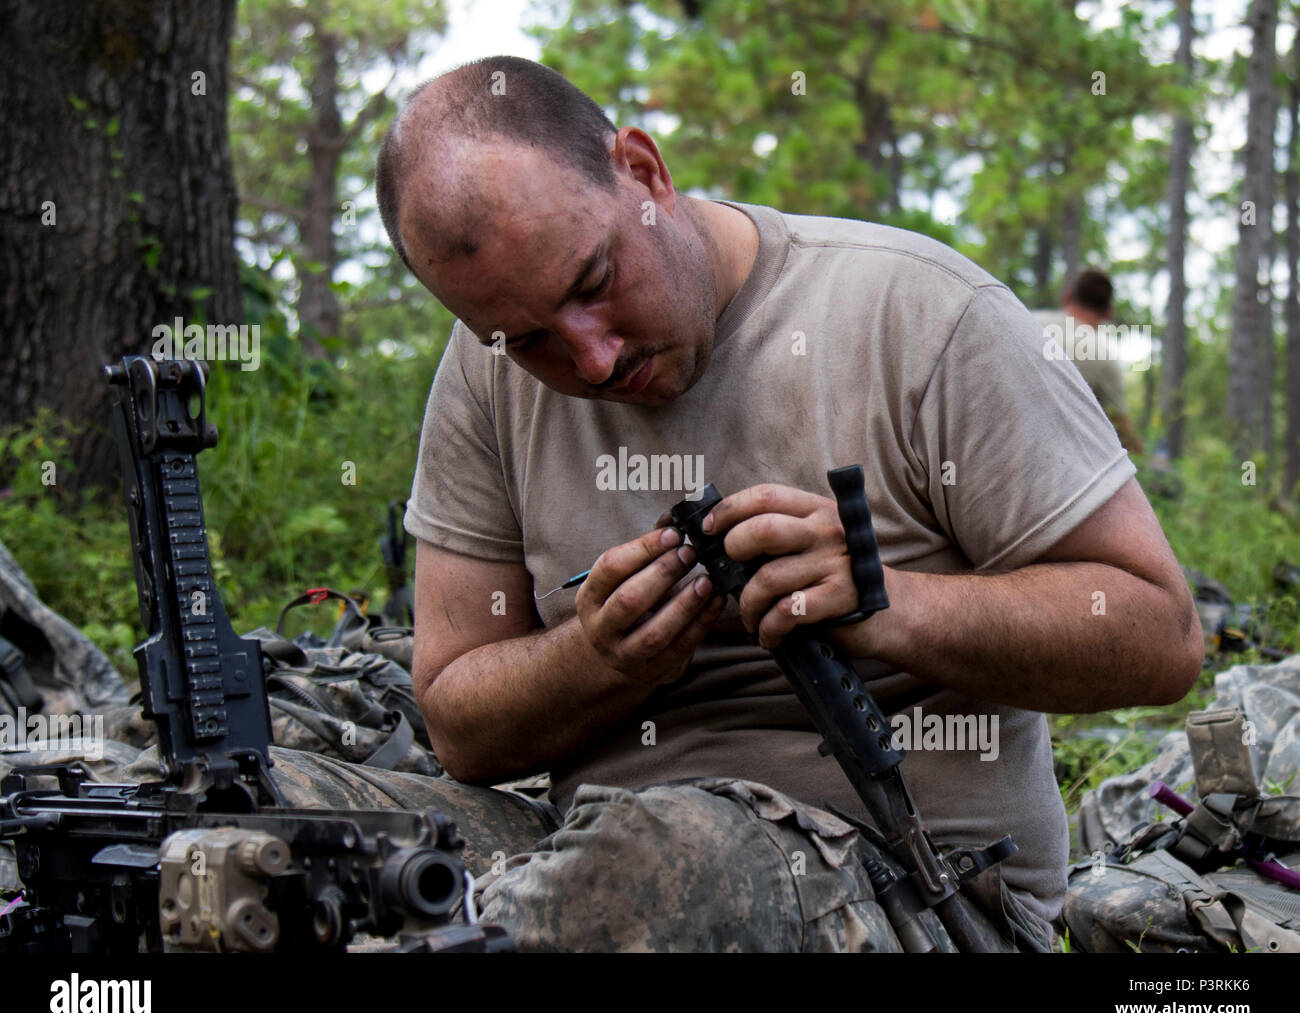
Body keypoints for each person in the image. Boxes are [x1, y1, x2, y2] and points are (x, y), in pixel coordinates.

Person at [371, 55, 1203, 952]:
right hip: (590, 857)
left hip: (917, 890)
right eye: (529, 338)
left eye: (594, 282)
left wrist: (889, 603)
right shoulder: (483, 377)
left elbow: (1160, 637)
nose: (593, 360)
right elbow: (457, 718)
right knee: (274, 845)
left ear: (644, 173)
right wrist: (600, 657)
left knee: (643, 871)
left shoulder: (924, 315)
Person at [1033, 269, 1145, 454]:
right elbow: (1122, 431)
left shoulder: (1028, 320)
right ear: (1108, 312)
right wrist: (1143, 456)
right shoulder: (1103, 357)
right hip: (1053, 461)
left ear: (1068, 298)